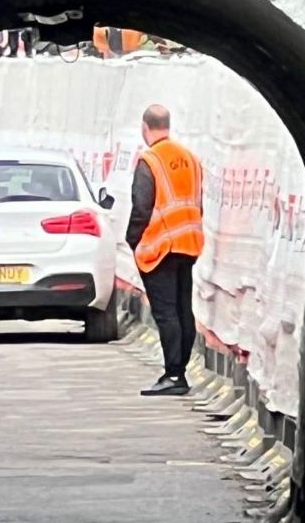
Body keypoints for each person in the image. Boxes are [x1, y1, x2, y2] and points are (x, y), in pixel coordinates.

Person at [126, 105, 204, 396]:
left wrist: (134, 241)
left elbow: (141, 206)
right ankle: (179, 371)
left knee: (166, 313)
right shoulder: (191, 158)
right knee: (184, 310)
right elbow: (198, 202)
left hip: (160, 247)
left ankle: (173, 375)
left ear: (145, 127)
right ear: (167, 125)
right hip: (189, 244)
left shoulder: (150, 160)